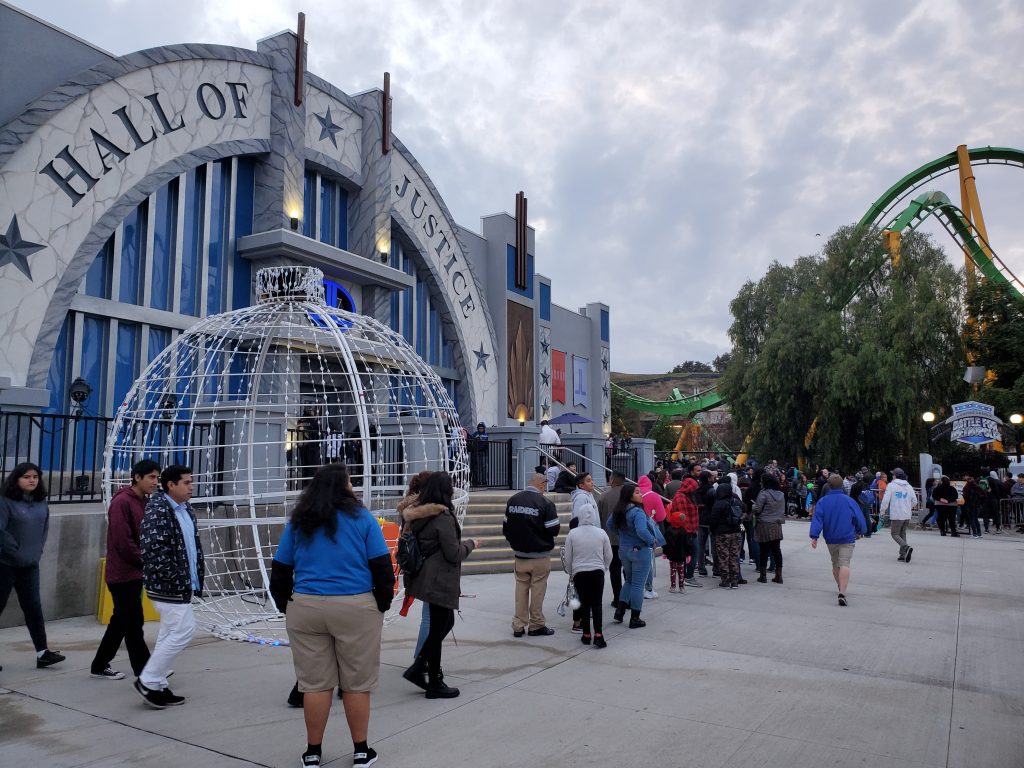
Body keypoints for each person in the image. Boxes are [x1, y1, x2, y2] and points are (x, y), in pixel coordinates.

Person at [268, 463, 394, 768]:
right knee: (356, 683)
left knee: (313, 684)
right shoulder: (362, 518)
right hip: (355, 606)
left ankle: (312, 752)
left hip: (307, 606)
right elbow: (381, 565)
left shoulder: (299, 521)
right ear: (344, 486)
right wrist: (381, 602)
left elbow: (281, 568)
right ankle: (361, 750)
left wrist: (287, 604)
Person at [402, 472, 479, 699]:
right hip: (439, 579)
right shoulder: (442, 516)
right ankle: (431, 678)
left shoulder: (418, 514)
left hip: (425, 576)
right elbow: (453, 553)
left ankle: (423, 669)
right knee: (439, 626)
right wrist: (471, 544)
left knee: (443, 622)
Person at [135, 465, 204, 708]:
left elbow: (190, 547)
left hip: (182, 584)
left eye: (191, 482)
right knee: (183, 631)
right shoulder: (158, 510)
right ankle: (149, 679)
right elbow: (154, 549)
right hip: (168, 586)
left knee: (168, 634)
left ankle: (157, 684)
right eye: (186, 482)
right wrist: (174, 578)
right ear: (171, 485)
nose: (191, 487)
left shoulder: (185, 510)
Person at [90, 459, 161, 681]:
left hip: (135, 572)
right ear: (137, 477)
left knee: (121, 621)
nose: (155, 482)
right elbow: (123, 542)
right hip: (122, 573)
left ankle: (100, 664)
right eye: (151, 477)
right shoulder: (122, 502)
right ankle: (146, 671)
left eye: (157, 477)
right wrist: (145, 560)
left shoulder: (144, 502)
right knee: (133, 623)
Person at [0, 462, 65, 670]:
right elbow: (1, 532)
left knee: (34, 608)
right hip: (5, 564)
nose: (32, 480)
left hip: (30, 565)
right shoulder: (5, 502)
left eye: (35, 477)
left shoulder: (41, 503)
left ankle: (43, 653)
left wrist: (36, 553)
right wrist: (15, 553)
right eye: (27, 476)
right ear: (16, 479)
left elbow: (43, 530)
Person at [502, 473, 560, 638]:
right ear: (542, 485)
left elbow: (506, 528)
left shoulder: (513, 500)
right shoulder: (546, 503)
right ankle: (536, 625)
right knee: (538, 590)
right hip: (540, 556)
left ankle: (518, 625)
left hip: (520, 556)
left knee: (521, 589)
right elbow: (553, 529)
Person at [809, 474, 867, 606]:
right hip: (847, 536)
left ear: (828, 486)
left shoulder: (823, 502)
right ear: (842, 485)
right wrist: (860, 531)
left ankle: (840, 586)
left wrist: (814, 536)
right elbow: (858, 517)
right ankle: (842, 592)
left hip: (831, 538)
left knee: (836, 564)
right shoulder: (849, 500)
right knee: (845, 563)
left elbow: (817, 520)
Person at [563, 500, 612, 648]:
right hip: (597, 571)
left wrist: (571, 572)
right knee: (597, 603)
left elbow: (568, 557)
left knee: (584, 603)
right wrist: (604, 567)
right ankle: (599, 634)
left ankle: (586, 634)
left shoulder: (573, 533)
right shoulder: (601, 533)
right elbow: (608, 555)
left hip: (580, 572)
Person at [607, 483, 655, 628]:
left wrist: (622, 535)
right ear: (630, 496)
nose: (640, 495)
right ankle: (635, 618)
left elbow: (610, 525)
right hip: (640, 550)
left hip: (624, 549)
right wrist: (652, 540)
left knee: (629, 581)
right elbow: (641, 530)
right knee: (638, 585)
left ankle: (620, 612)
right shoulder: (638, 512)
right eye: (637, 492)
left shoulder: (619, 510)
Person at [596, 471, 625, 606]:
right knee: (628, 570)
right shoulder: (630, 495)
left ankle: (618, 597)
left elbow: (600, 519)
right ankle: (628, 597)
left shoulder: (603, 496)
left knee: (615, 571)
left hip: (610, 540)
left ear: (613, 480)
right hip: (627, 540)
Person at [709, 478, 743, 589]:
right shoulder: (736, 501)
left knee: (723, 557)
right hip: (736, 532)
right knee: (734, 557)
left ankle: (725, 580)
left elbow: (713, 520)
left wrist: (713, 531)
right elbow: (744, 508)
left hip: (722, 534)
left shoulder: (718, 504)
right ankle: (735, 581)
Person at [753, 472, 785, 584]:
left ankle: (763, 576)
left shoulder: (763, 494)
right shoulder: (781, 494)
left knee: (764, 550)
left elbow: (757, 509)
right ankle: (778, 575)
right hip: (777, 525)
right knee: (777, 550)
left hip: (764, 525)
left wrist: (753, 507)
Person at [879, 468, 917, 561]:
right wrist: (908, 507)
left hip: (897, 514)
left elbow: (886, 500)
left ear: (895, 476)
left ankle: (906, 547)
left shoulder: (891, 485)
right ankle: (903, 554)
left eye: (893, 474)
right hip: (907, 514)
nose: (892, 476)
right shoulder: (909, 486)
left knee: (894, 533)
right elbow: (915, 501)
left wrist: (882, 511)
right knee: (902, 533)